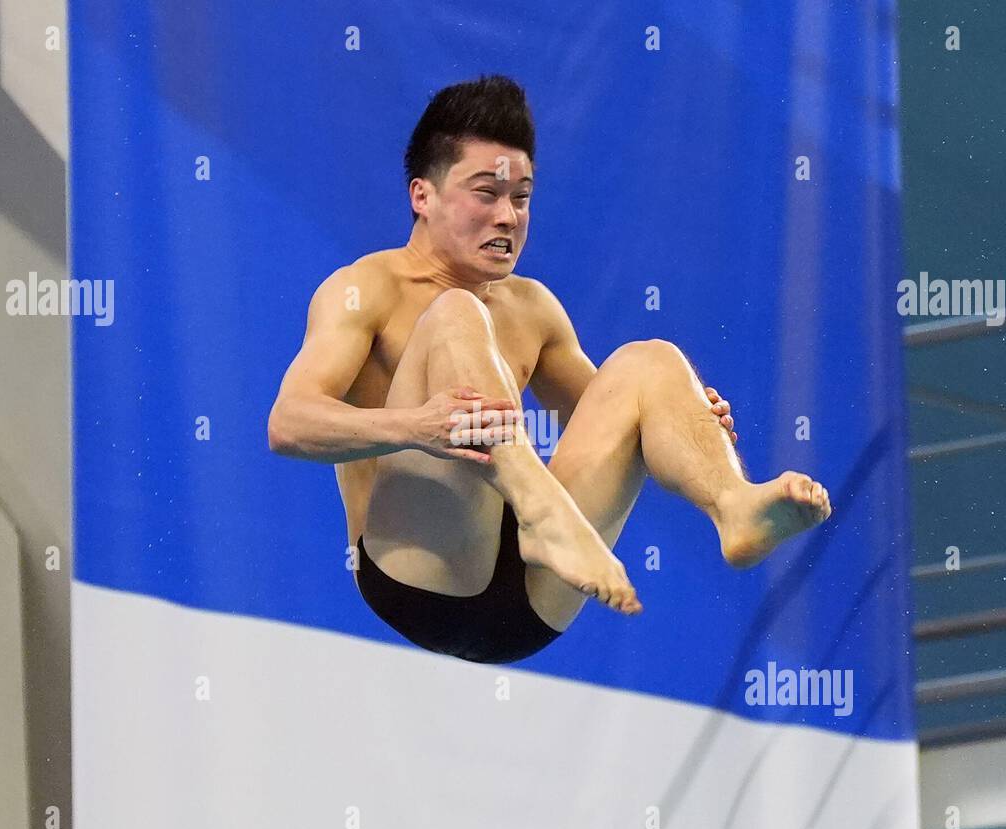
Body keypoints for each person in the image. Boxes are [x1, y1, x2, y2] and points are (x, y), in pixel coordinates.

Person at [268, 75, 831, 664]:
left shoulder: (532, 307)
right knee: (456, 312)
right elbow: (289, 423)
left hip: (530, 605)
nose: (507, 217)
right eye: (485, 193)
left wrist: (681, 414)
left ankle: (734, 508)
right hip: (417, 577)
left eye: (521, 197)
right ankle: (541, 512)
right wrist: (416, 426)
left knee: (651, 360)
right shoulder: (364, 290)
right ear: (422, 196)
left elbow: (614, 420)